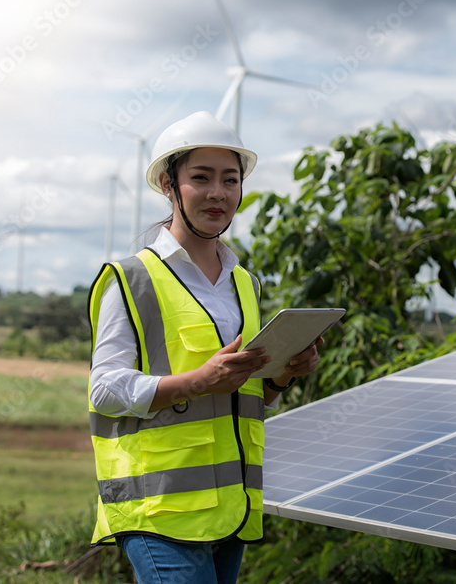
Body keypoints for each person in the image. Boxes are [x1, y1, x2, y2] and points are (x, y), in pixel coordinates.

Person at [87, 111, 322, 583]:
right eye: (201, 178)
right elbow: (104, 390)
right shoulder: (131, 279)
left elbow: (244, 397)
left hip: (231, 508)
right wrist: (198, 380)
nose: (218, 192)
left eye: (230, 180)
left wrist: (283, 374)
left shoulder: (244, 284)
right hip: (158, 509)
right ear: (168, 185)